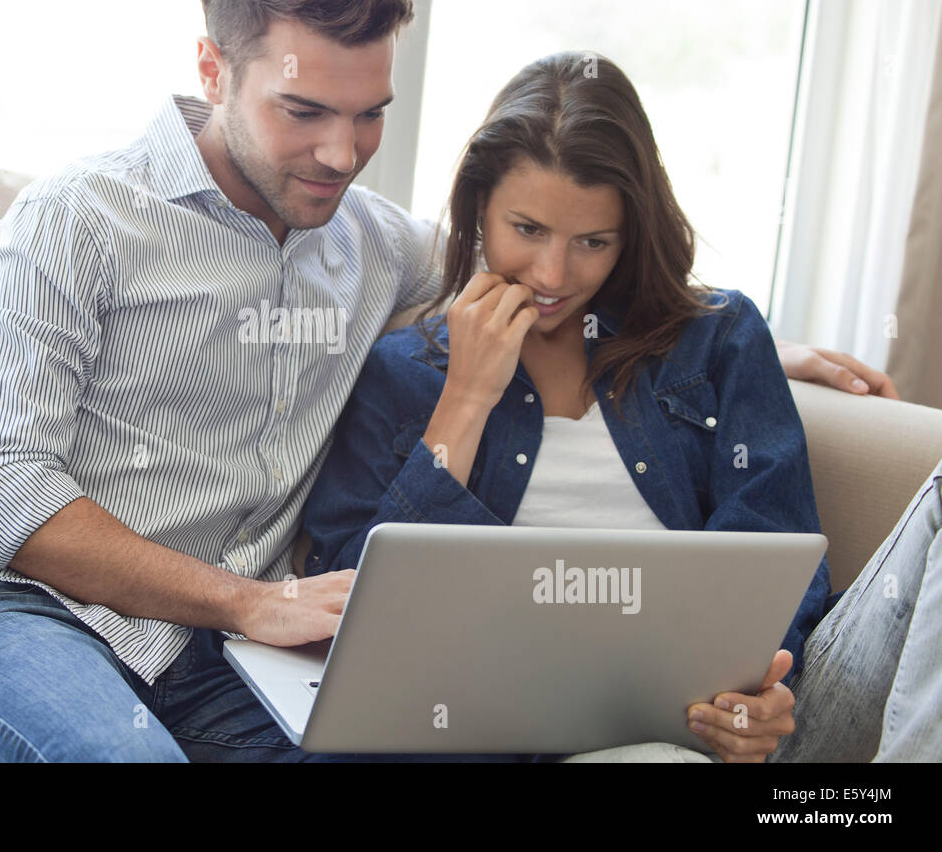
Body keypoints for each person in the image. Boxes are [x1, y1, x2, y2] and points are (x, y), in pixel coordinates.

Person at [0, 0, 901, 762]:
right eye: (304, 109)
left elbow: (539, 261)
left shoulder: (366, 239)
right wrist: (245, 602)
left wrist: (732, 338)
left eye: (369, 115)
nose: (340, 152)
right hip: (17, 618)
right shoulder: (74, 223)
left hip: (233, 664)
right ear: (212, 68)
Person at [300, 50, 941, 763]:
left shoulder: (719, 340)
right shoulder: (406, 373)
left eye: (592, 242)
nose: (552, 275)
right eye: (528, 230)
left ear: (632, 231)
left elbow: (774, 550)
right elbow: (351, 605)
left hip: (726, 726)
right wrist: (467, 398)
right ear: (479, 207)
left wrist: (757, 689)